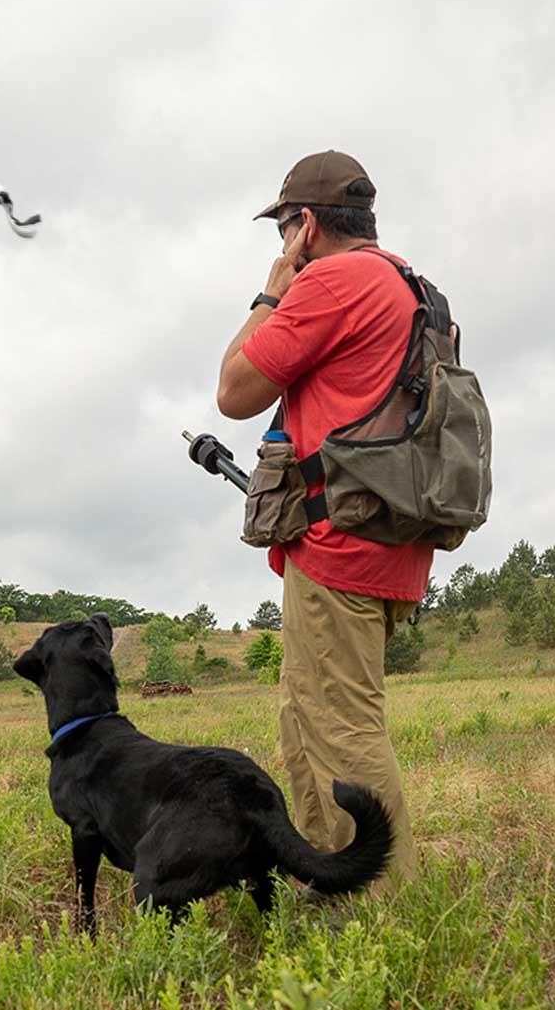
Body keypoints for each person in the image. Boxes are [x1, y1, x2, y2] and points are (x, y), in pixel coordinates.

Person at [215, 149, 432, 893]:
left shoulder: (333, 281)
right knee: (304, 718)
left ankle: (377, 902)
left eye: (281, 226)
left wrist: (269, 293)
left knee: (341, 728)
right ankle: (332, 874)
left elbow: (234, 389)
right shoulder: (411, 284)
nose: (281, 243)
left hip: (339, 545)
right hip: (392, 540)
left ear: (304, 224)